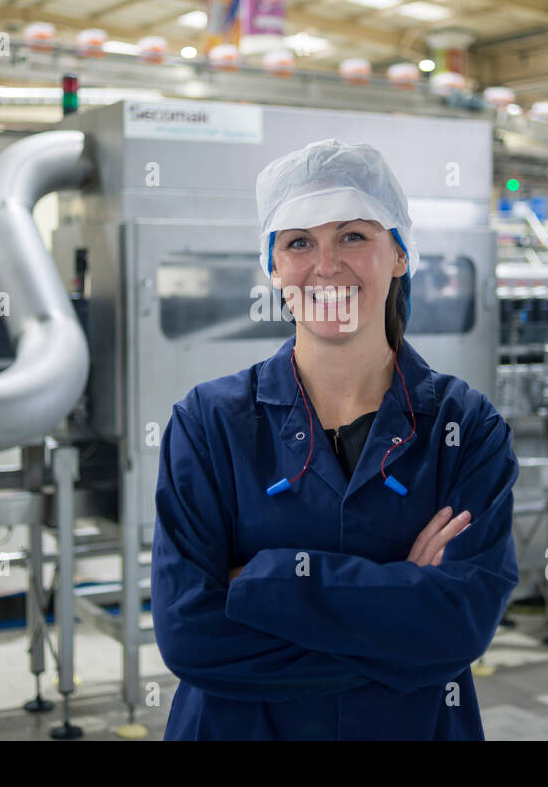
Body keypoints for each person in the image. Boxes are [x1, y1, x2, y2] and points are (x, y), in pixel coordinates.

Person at [151, 138, 520, 739]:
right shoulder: (209, 424)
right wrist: (401, 613)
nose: (326, 265)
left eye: (353, 235)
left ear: (400, 253)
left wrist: (261, 581)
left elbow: (460, 626)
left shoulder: (465, 428)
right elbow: (190, 636)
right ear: (272, 266)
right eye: (299, 242)